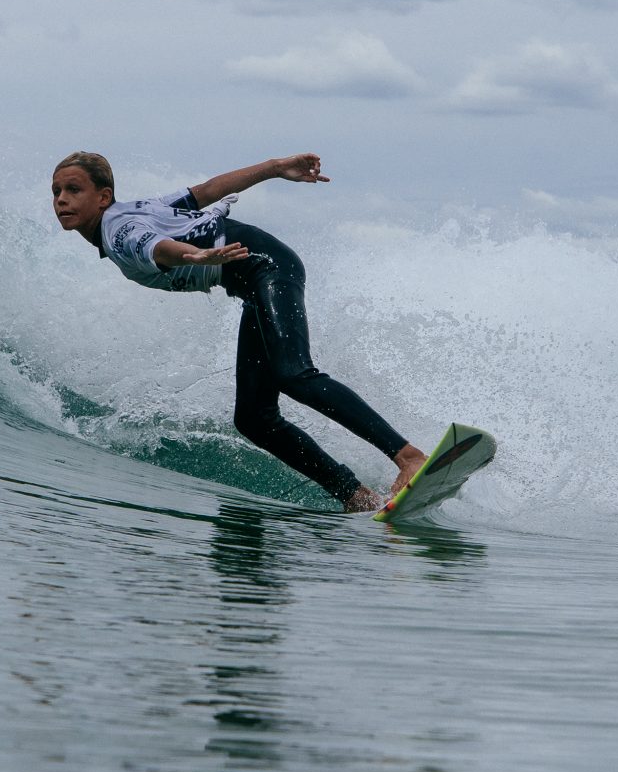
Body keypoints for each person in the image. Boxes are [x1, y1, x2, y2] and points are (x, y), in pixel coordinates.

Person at [51, 150, 427, 514]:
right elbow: (206, 191)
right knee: (254, 418)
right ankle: (355, 496)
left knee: (295, 373)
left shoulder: (119, 229)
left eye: (73, 190)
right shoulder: (138, 209)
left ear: (103, 197)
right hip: (257, 280)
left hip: (267, 267)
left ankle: (408, 456)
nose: (62, 200)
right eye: (57, 192)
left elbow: (153, 247)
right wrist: (274, 167)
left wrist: (189, 255)